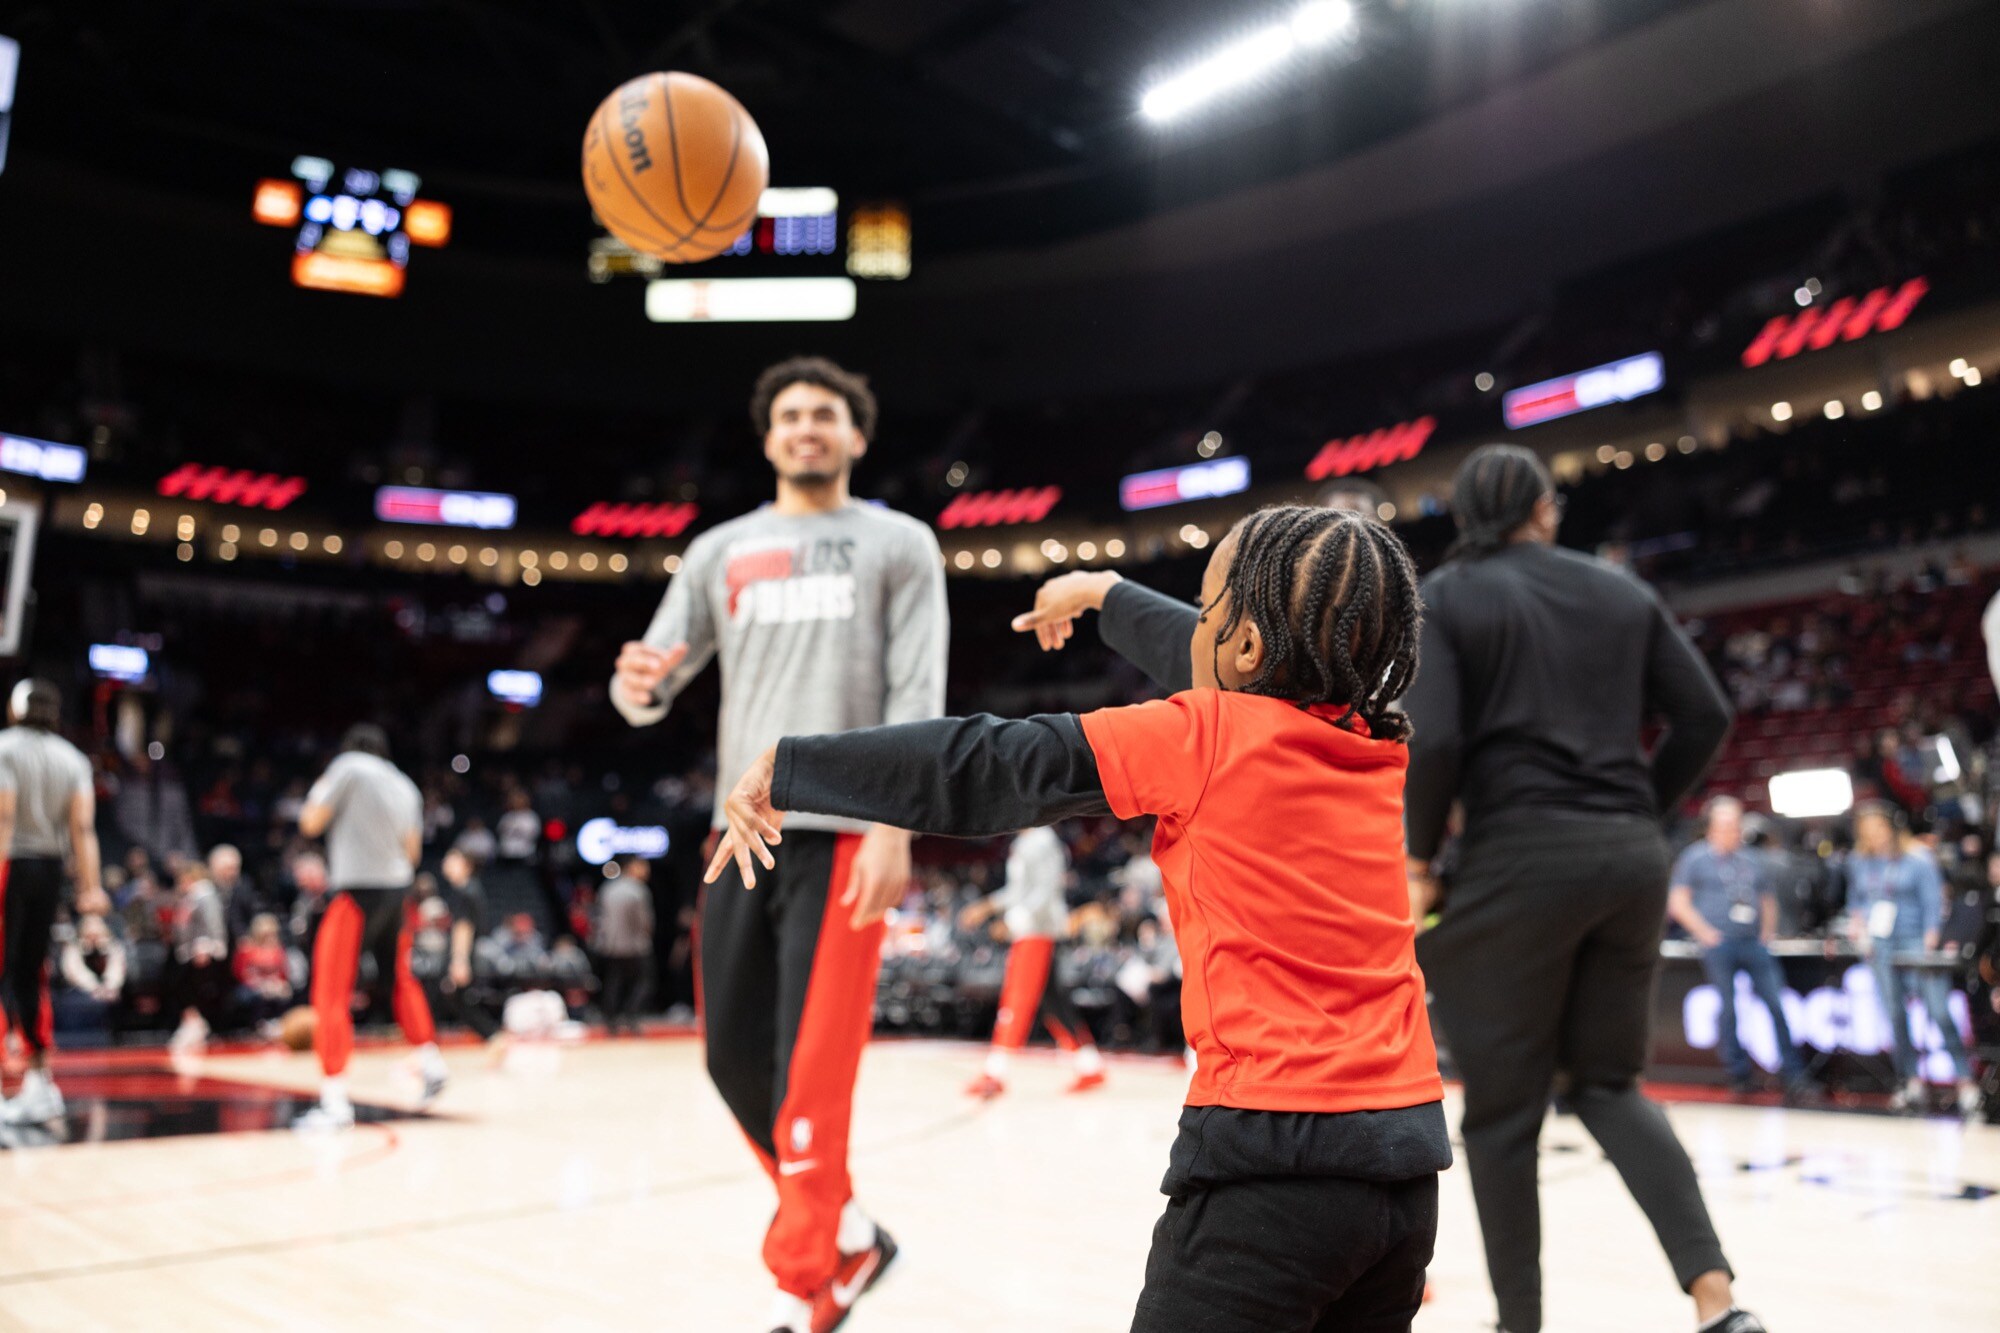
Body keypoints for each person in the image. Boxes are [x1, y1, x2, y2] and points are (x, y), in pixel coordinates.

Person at [713, 505, 1448, 1333]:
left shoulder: (1204, 738)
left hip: (1275, 1163)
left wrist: (797, 766)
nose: (1196, 627)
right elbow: (1228, 659)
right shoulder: (1377, 747)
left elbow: (992, 764)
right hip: (1405, 1166)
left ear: (1245, 646)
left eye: (1206, 607)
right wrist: (1107, 594)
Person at [611, 356, 945, 1333]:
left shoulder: (899, 542)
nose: (806, 427)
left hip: (846, 831)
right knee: (729, 1057)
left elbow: (917, 693)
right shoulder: (720, 549)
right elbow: (647, 685)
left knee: (814, 1069)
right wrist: (633, 685)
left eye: (824, 415)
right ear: (767, 439)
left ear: (855, 435)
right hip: (742, 830)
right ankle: (851, 1229)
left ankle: (803, 1283)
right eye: (790, 415)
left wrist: (894, 827)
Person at [1394, 445, 1754, 1333]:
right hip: (1629, 861)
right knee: (1610, 1085)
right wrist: (1638, 807)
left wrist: (1418, 859)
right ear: (1544, 509)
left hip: (1515, 861)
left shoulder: (1448, 597)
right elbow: (1706, 713)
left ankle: (1519, 1325)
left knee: (1502, 1117)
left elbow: (1436, 742)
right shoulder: (1620, 589)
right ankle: (1717, 1301)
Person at [295, 724, 443, 1131]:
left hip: (357, 893)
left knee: (331, 993)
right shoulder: (405, 785)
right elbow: (413, 851)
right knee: (400, 979)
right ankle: (431, 1062)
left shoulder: (348, 767)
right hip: (398, 894)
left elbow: (310, 822)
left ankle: (335, 1101)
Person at [0, 680, 102, 1126]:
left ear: (16, 709)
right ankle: (40, 1080)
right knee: (31, 971)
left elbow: (3, 815)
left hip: (10, 865)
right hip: (50, 869)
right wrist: (90, 889)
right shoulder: (73, 758)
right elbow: (83, 828)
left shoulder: (4, 748)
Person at [1668, 797, 1813, 1099]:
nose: (1731, 831)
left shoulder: (1751, 859)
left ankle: (1794, 1075)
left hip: (1752, 943)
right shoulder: (1695, 858)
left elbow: (1767, 899)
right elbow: (1678, 902)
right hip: (1719, 944)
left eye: (1735, 825)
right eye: (1725, 825)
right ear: (1711, 828)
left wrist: (1766, 934)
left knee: (1776, 1004)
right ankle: (1739, 1075)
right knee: (1728, 1008)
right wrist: (1704, 932)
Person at [1845, 803, 1977, 1114]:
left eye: (1878, 829)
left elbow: (1934, 903)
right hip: (1880, 946)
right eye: (1867, 832)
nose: (1874, 837)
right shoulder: (1860, 862)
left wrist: (1932, 939)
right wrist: (1857, 926)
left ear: (1892, 827)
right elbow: (1856, 901)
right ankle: (1910, 1080)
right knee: (1894, 1015)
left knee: (1939, 1011)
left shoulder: (1918, 858)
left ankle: (1965, 1080)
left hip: (1916, 941)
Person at [958, 825, 1106, 1098]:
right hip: (1033, 929)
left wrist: (1013, 920)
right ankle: (1090, 1066)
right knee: (1054, 1003)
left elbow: (1046, 889)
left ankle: (995, 1072)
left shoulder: (1042, 840)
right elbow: (1019, 891)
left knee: (1017, 998)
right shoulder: (1027, 841)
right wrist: (987, 907)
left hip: (1037, 930)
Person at [595, 856, 655, 1036]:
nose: (647, 871)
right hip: (635, 945)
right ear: (632, 867)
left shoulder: (608, 888)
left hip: (611, 945)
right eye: (643, 867)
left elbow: (599, 917)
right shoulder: (638, 890)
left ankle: (610, 1021)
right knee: (645, 982)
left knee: (614, 982)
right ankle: (631, 1015)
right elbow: (645, 922)